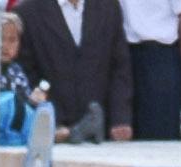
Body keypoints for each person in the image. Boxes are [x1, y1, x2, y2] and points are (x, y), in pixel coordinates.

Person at [13, 0, 136, 143]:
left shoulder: (108, 6)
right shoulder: (28, 11)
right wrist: (54, 121)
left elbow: (119, 68)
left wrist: (120, 118)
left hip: (102, 133)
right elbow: (27, 74)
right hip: (52, 133)